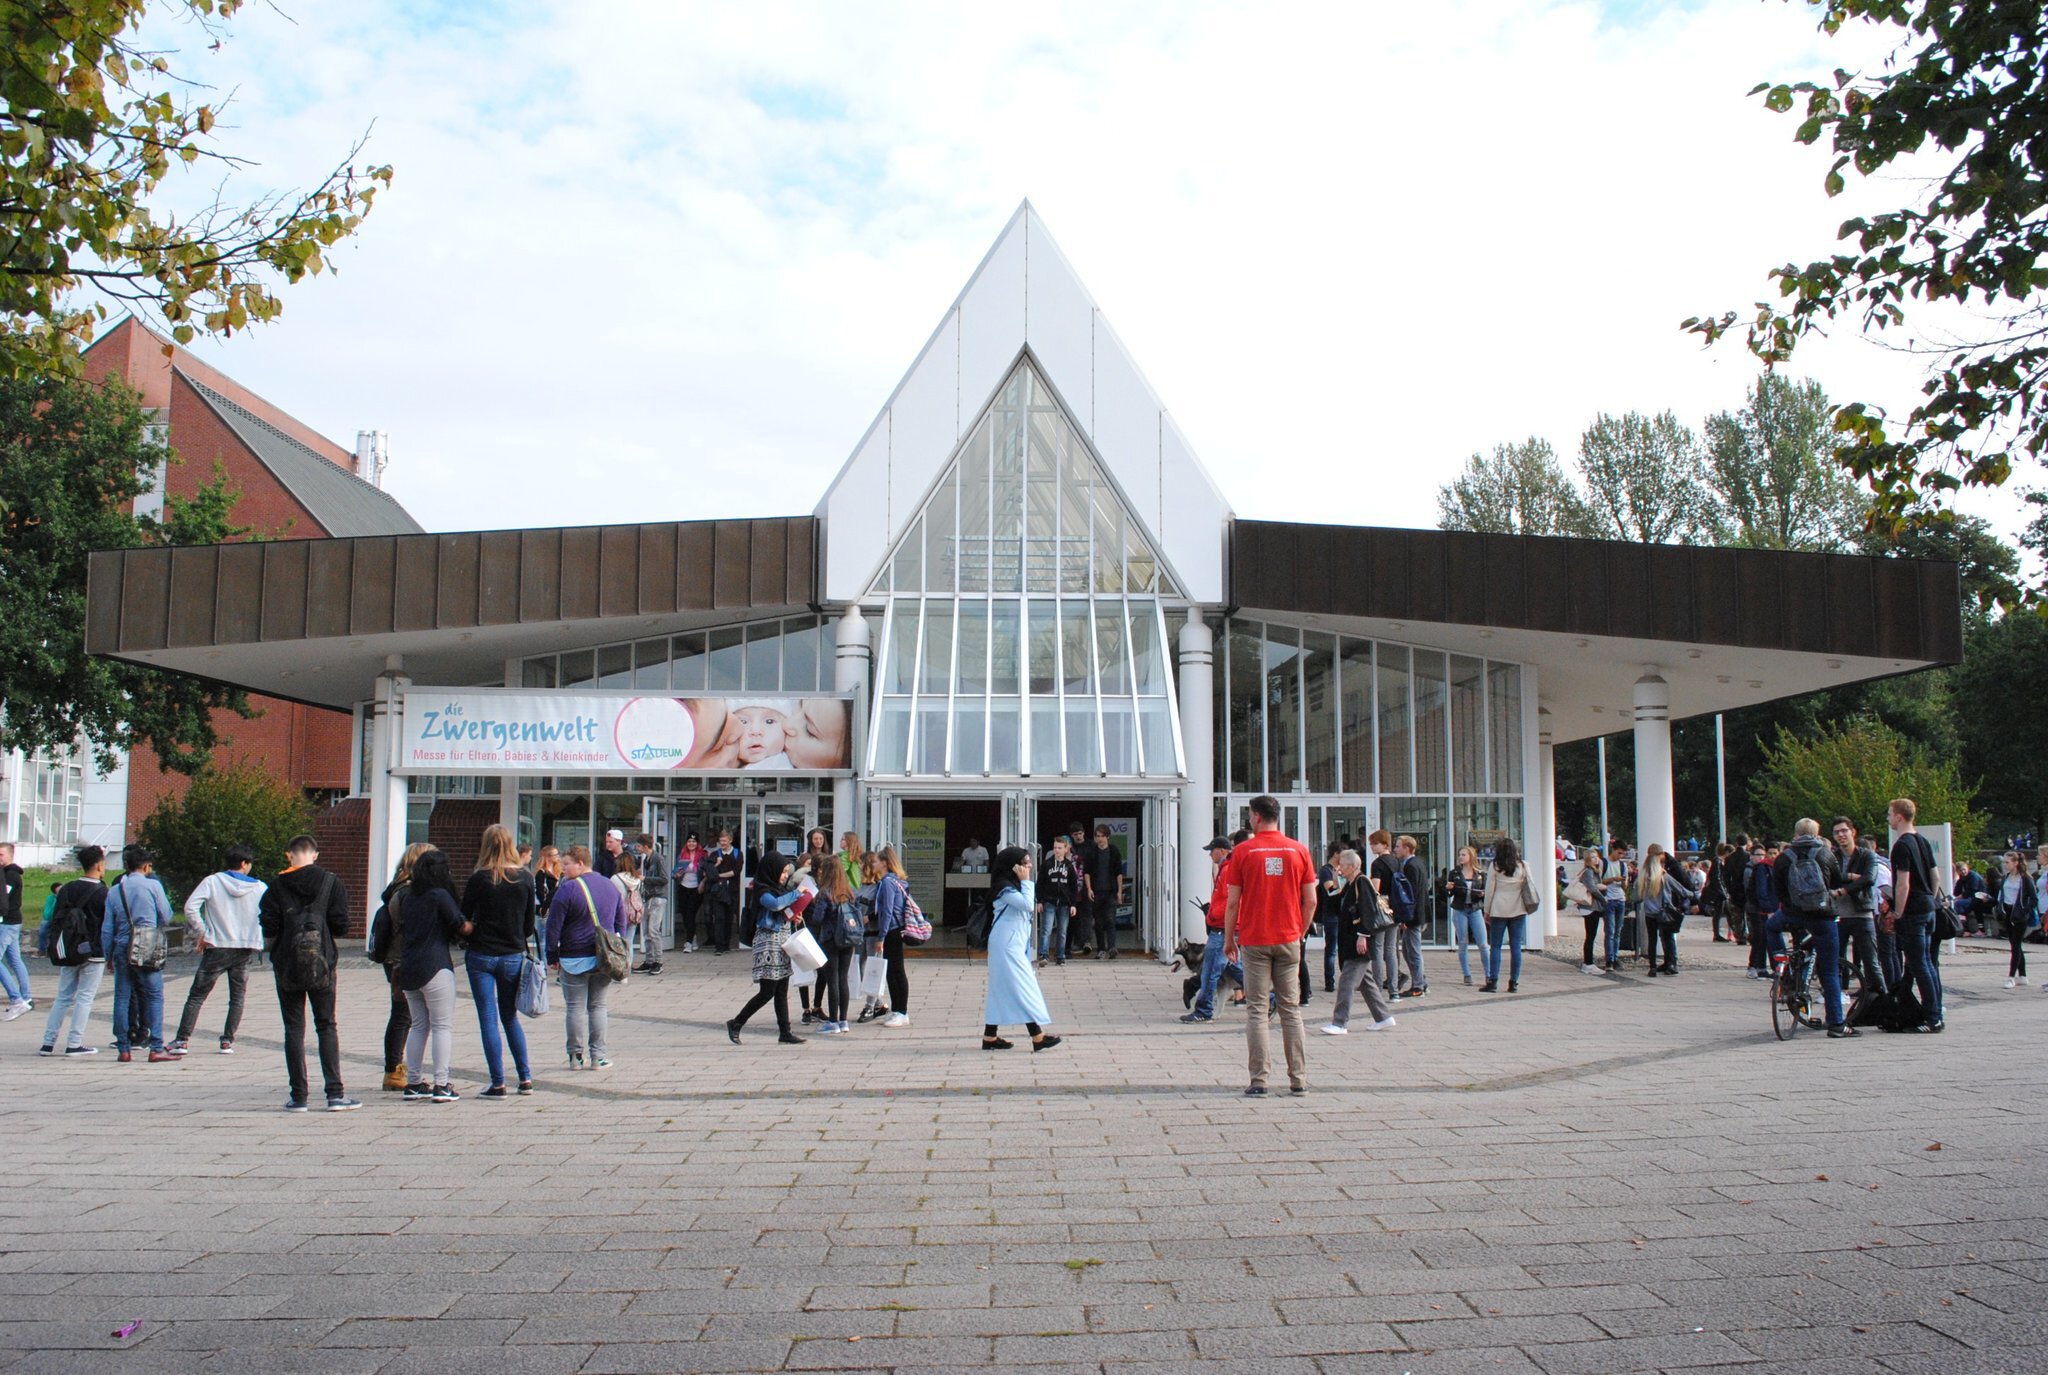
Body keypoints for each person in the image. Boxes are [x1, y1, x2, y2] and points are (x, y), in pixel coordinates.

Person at [1222, 794, 1316, 1097]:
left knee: (1257, 1010)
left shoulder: (1244, 851)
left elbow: (1233, 901)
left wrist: (1228, 939)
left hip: (1255, 939)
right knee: (1291, 1010)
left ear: (1257, 817)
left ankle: (1259, 1079)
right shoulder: (1299, 850)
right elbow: (1311, 900)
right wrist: (1298, 933)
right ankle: (1298, 1079)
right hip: (1288, 938)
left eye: (1250, 815)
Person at [259, 834, 361, 1110]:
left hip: (287, 964)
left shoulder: (277, 886)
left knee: (294, 1028)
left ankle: (299, 1096)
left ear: (289, 855)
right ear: (315, 854)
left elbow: (268, 924)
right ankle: (335, 1094)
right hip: (323, 964)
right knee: (326, 1024)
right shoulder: (331, 882)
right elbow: (341, 925)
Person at [461, 824, 537, 1097]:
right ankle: (525, 1078)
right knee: (510, 1017)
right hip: (512, 954)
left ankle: (498, 1082)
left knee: (488, 1018)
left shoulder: (479, 879)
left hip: (481, 953)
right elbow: (529, 926)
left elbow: (464, 916)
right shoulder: (525, 879)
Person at [169, 843, 266, 1056]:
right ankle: (227, 1041)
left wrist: (203, 931)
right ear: (244, 863)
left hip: (217, 945)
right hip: (245, 947)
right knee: (237, 996)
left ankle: (182, 1040)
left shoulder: (213, 882)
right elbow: (267, 914)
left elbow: (190, 907)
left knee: (197, 995)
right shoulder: (260, 887)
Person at [396, 849, 473, 1102]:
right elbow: (460, 925)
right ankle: (441, 1084)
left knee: (418, 1025)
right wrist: (476, 924)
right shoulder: (439, 895)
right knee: (442, 1026)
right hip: (436, 965)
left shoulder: (408, 896)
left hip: (408, 966)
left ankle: (414, 1082)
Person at [1768, 818, 1853, 1037]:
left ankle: (1781, 962)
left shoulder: (1784, 857)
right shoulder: (1825, 853)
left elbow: (1778, 889)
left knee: (1771, 927)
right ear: (1817, 833)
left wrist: (1790, 905)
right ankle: (1836, 1024)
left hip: (1792, 914)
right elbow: (1835, 883)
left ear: (1795, 834)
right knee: (1830, 971)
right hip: (1822, 916)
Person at [545, 845, 626, 1069]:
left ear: (580, 863)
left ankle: (575, 1056)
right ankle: (598, 1056)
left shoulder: (568, 889)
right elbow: (621, 921)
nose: (563, 869)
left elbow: (553, 926)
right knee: (598, 1006)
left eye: (567, 864)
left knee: (575, 1007)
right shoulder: (609, 886)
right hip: (603, 958)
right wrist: (620, 947)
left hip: (573, 957)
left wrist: (552, 954)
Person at [976, 845, 1061, 1050]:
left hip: (1012, 943)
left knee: (1002, 988)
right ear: (1013, 866)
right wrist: (1026, 882)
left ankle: (990, 1037)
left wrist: (1024, 882)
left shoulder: (1012, 884)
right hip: (1006, 944)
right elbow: (1026, 904)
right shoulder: (1003, 886)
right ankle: (1037, 1036)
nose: (1029, 865)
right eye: (1025, 863)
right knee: (1022, 986)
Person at [724, 855, 808, 1045]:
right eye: (783, 871)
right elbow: (775, 904)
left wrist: (792, 916)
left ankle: (785, 1032)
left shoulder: (779, 889)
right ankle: (736, 1023)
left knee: (781, 990)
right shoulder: (762, 889)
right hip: (768, 943)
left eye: (787, 872)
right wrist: (798, 893)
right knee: (768, 990)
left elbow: (781, 911)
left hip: (782, 942)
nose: (785, 876)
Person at [102, 844, 175, 1062]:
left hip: (122, 944)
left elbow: (107, 928)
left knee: (122, 996)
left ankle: (123, 1048)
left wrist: (108, 955)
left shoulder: (115, 890)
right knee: (154, 995)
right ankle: (156, 1046)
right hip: (147, 943)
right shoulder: (153, 886)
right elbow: (166, 915)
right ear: (145, 866)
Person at [38, 844, 109, 1056]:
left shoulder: (67, 888)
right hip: (94, 950)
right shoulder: (103, 892)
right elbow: (107, 923)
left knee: (63, 996)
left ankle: (48, 1043)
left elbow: (56, 918)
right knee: (85, 997)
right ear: (98, 866)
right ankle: (74, 1043)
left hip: (68, 949)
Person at [373, 843, 433, 1090]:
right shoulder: (408, 892)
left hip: (394, 957)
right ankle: (394, 1070)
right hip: (402, 958)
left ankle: (395, 1068)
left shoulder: (395, 888)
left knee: (403, 1014)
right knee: (402, 1015)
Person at [1322, 849, 1395, 1034]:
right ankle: (1384, 1017)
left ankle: (1339, 1022)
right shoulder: (1350, 884)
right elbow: (1336, 904)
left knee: (1347, 981)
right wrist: (1336, 883)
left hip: (1358, 941)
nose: (1340, 869)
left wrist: (1363, 936)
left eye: (1343, 865)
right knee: (1366, 982)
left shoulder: (1362, 882)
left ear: (1353, 866)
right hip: (1349, 940)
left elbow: (1367, 911)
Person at [1886, 799, 1945, 1031]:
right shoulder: (1922, 841)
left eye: (1890, 814)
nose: (1889, 818)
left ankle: (1932, 1017)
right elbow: (1936, 876)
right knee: (1928, 962)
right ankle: (1935, 1011)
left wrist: (1898, 911)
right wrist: (1929, 897)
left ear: (1899, 816)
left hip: (1913, 911)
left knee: (1919, 964)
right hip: (1928, 907)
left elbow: (1903, 883)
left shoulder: (1902, 845)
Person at [1182, 835, 1244, 1024]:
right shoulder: (1226, 868)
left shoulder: (1228, 870)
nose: (1210, 855)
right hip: (1224, 926)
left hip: (1222, 928)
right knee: (1234, 969)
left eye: (1212, 850)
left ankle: (1204, 1010)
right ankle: (1270, 999)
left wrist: (1214, 916)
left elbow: (1230, 901)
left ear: (1222, 851)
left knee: (1209, 971)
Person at [1828, 817, 1884, 998]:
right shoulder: (1832, 856)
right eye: (1837, 832)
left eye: (1844, 831)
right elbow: (1829, 878)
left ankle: (1879, 993)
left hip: (1862, 912)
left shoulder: (1866, 855)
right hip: (1838, 913)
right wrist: (1851, 876)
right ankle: (1840, 991)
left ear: (1853, 832)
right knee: (1838, 957)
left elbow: (1868, 878)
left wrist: (1843, 890)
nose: (1841, 835)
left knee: (1870, 959)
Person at [1481, 838, 1538, 993]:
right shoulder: (1524, 866)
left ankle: (1493, 981)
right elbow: (1530, 886)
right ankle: (1514, 982)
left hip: (1498, 909)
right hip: (1518, 909)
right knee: (1516, 947)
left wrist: (1486, 910)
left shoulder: (1495, 866)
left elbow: (1490, 890)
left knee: (1496, 946)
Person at [815, 861, 862, 1034]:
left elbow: (818, 918)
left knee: (832, 980)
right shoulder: (849, 892)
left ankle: (832, 1021)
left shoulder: (825, 893)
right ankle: (844, 1020)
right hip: (848, 938)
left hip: (830, 939)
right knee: (843, 979)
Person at [873, 846, 913, 1027]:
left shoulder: (888, 882)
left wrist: (881, 936)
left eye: (876, 861)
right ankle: (897, 1009)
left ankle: (902, 1011)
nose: (873, 864)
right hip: (895, 929)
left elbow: (887, 910)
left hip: (892, 930)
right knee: (892, 971)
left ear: (884, 863)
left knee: (896, 970)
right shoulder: (896, 881)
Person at [1443, 846, 1486, 985]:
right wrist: (1448, 889)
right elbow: (1449, 894)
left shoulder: (1480, 873)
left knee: (1483, 944)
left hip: (1475, 909)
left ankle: (1489, 973)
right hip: (1460, 909)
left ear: (1471, 857)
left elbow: (1485, 891)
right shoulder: (1454, 873)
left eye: (1464, 855)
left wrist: (1482, 894)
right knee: (1463, 942)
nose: (1461, 857)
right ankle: (1466, 974)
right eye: (1459, 854)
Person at [1392, 835, 1429, 998]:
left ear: (1407, 848)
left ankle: (1418, 986)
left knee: (1412, 951)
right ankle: (1421, 980)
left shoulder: (1411, 866)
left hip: (1414, 915)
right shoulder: (1415, 863)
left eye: (1398, 846)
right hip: (1416, 914)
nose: (1395, 849)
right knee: (1408, 950)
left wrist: (1406, 917)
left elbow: (1410, 894)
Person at [1993, 851, 2037, 988]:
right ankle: (2022, 975)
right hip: (2007, 913)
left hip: (2018, 915)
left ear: (2016, 863)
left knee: (2016, 946)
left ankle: (2011, 976)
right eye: (2004, 862)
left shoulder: (2025, 879)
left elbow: (2033, 899)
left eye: (2007, 862)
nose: (2005, 865)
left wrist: (2023, 912)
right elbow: (2002, 895)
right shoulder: (2006, 877)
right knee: (2014, 945)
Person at [1083, 826, 1125, 959]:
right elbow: (1087, 872)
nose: (1099, 839)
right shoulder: (1092, 852)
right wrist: (1089, 888)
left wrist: (1119, 891)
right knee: (1099, 922)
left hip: (1110, 891)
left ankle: (1112, 947)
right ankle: (1101, 948)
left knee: (1111, 919)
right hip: (1096, 891)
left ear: (1107, 837)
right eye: (1097, 836)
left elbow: (1119, 873)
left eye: (1102, 836)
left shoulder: (1114, 851)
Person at [1037, 835, 1079, 967]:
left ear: (1066, 849)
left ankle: (1060, 956)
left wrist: (1073, 904)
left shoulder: (1069, 866)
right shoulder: (1047, 864)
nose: (1057, 850)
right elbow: (1040, 884)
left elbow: (1073, 886)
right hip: (1049, 901)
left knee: (1062, 931)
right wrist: (1040, 901)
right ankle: (1043, 955)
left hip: (1065, 903)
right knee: (1046, 930)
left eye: (1060, 848)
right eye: (1055, 847)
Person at [0, 842, 29, 1020]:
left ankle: (17, 999)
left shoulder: (10, 875)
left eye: (1, 854)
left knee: (12, 960)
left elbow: (4, 897)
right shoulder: (9, 873)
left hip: (7, 922)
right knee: (15, 959)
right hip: (12, 922)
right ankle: (25, 997)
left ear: (10, 855)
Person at [634, 832, 668, 974]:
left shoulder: (658, 859)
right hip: (648, 896)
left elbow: (664, 878)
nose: (636, 848)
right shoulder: (646, 859)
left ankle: (658, 961)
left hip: (658, 896)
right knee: (646, 930)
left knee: (653, 930)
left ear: (645, 846)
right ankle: (649, 960)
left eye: (639, 845)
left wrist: (645, 879)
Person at [706, 829, 744, 954]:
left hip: (732, 890)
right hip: (718, 891)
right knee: (719, 918)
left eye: (724, 840)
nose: (722, 843)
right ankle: (719, 947)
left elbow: (736, 871)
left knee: (729, 918)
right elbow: (709, 871)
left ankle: (726, 944)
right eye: (720, 840)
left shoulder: (738, 854)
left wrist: (720, 875)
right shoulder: (715, 855)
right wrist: (717, 865)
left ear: (730, 840)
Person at [1569, 846, 1604, 975]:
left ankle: (1588, 963)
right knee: (1590, 935)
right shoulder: (1588, 871)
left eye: (1597, 856)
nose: (1596, 859)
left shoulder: (1593, 871)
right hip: (1589, 906)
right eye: (1593, 857)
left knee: (1591, 935)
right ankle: (1588, 963)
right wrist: (1603, 900)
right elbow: (1592, 889)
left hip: (1590, 906)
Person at [1598, 841, 1630, 973]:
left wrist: (1623, 882)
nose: (1620, 856)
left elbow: (1626, 885)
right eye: (1619, 853)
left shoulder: (1623, 865)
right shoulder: (1603, 863)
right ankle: (1609, 959)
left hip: (1620, 899)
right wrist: (1612, 879)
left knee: (1617, 931)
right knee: (1610, 931)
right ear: (1613, 850)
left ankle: (1615, 957)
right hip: (1608, 900)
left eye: (1623, 854)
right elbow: (1599, 881)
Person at [671, 834, 706, 954]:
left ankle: (688, 942)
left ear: (698, 843)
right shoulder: (681, 855)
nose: (691, 843)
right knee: (685, 915)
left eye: (694, 841)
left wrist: (703, 882)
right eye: (689, 841)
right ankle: (693, 937)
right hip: (683, 887)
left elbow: (707, 872)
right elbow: (674, 874)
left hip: (696, 888)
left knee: (691, 914)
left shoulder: (702, 856)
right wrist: (678, 875)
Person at [1316, 842, 1343, 993]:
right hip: (1331, 914)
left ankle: (1346, 980)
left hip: (1341, 914)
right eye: (1342, 854)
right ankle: (1329, 981)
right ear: (1335, 854)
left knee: (1342, 949)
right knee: (1331, 948)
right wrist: (1338, 879)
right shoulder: (1326, 871)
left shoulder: (1341, 870)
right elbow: (1331, 889)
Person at [532, 845, 561, 959]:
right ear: (548, 857)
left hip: (556, 909)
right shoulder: (542, 873)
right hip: (546, 909)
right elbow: (541, 892)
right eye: (555, 854)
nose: (558, 857)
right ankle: (543, 966)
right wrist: (544, 908)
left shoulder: (558, 872)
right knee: (543, 939)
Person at [1954, 859, 1990, 936]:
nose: (1963, 872)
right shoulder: (1962, 879)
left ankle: (1965, 929)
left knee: (1958, 904)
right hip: (1972, 899)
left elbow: (1971, 892)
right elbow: (1956, 892)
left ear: (1967, 868)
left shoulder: (1973, 876)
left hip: (1979, 898)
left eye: (1964, 869)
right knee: (1958, 906)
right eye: (1960, 870)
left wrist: (1958, 897)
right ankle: (1964, 928)